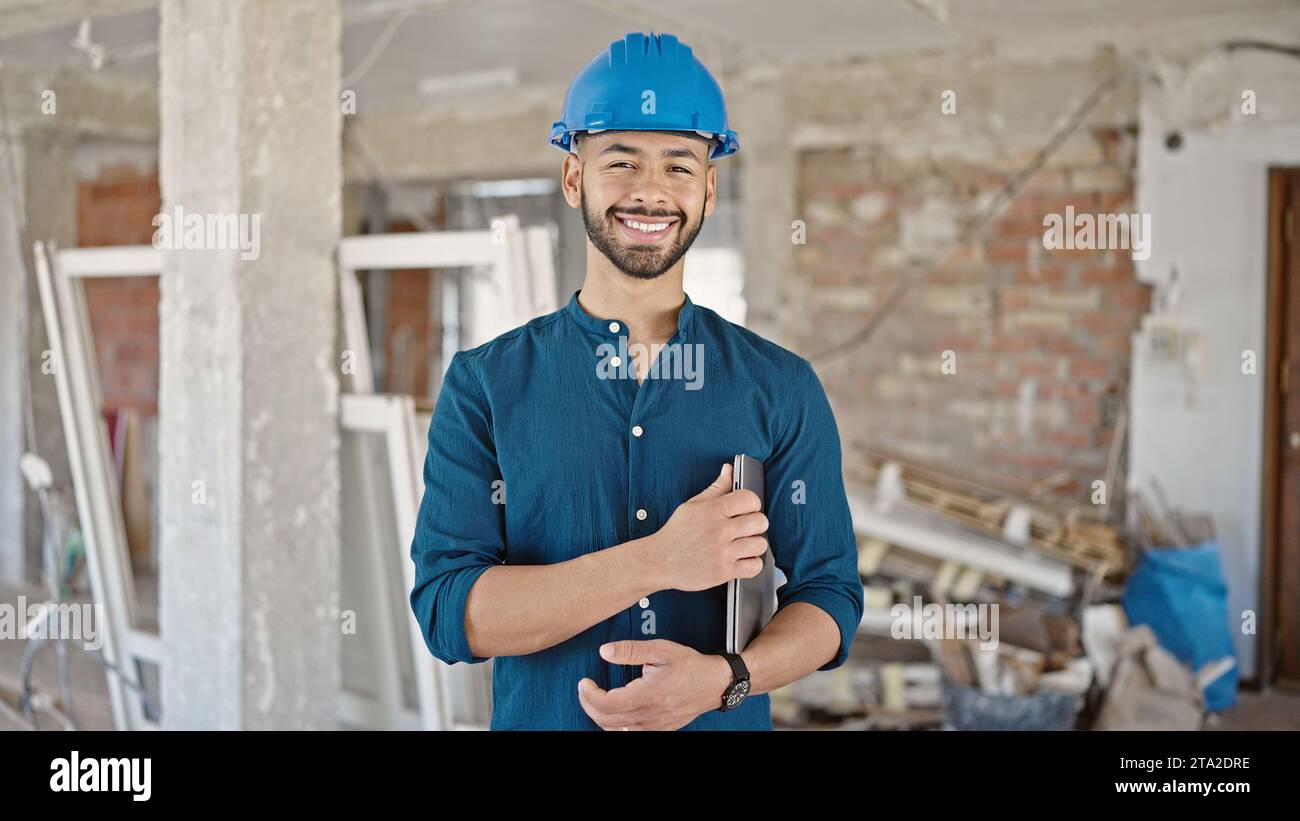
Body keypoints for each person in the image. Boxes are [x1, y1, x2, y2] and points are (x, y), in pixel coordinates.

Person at [409, 31, 863, 730]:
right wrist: (658, 560)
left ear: (709, 189)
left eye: (679, 167)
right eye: (620, 161)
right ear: (573, 178)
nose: (651, 192)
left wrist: (727, 680)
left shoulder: (781, 385)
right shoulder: (485, 386)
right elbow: (448, 611)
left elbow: (830, 596)